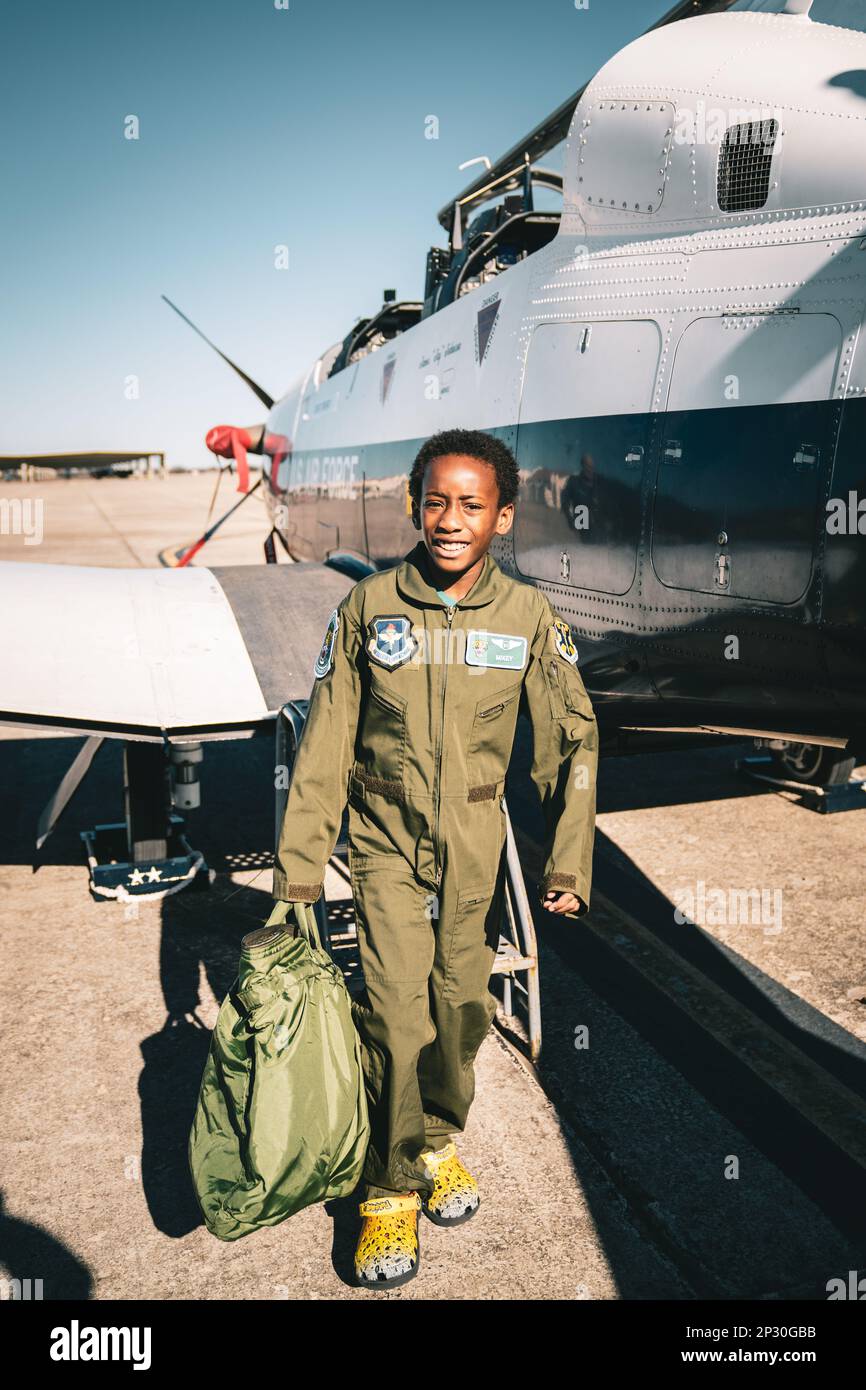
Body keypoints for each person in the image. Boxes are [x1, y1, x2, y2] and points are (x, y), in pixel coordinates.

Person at [269, 427, 598, 1289]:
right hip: (383, 836)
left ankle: (436, 1137)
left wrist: (568, 861)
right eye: (438, 502)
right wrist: (301, 864)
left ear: (503, 516)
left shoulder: (527, 616)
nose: (452, 520)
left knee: (461, 1011)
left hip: (475, 840)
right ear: (417, 507)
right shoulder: (369, 607)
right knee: (393, 1014)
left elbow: (571, 737)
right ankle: (387, 1192)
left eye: (473, 505)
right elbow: (329, 737)